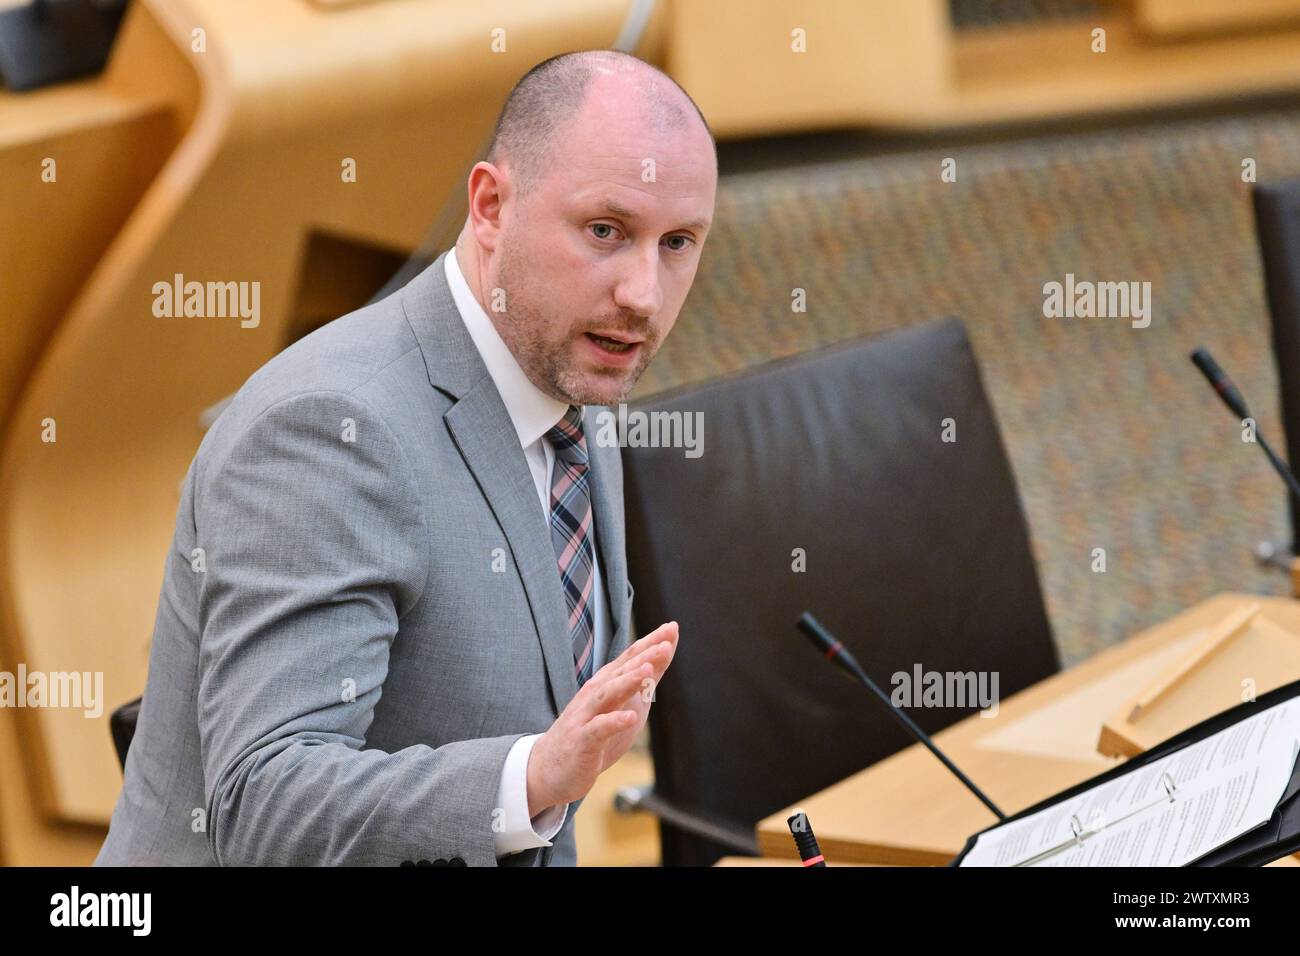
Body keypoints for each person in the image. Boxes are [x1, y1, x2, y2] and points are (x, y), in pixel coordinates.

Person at [94, 48, 718, 866]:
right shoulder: (330, 428)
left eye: (677, 243)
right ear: (491, 206)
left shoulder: (574, 367)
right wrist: (530, 776)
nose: (642, 292)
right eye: (605, 231)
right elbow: (266, 806)